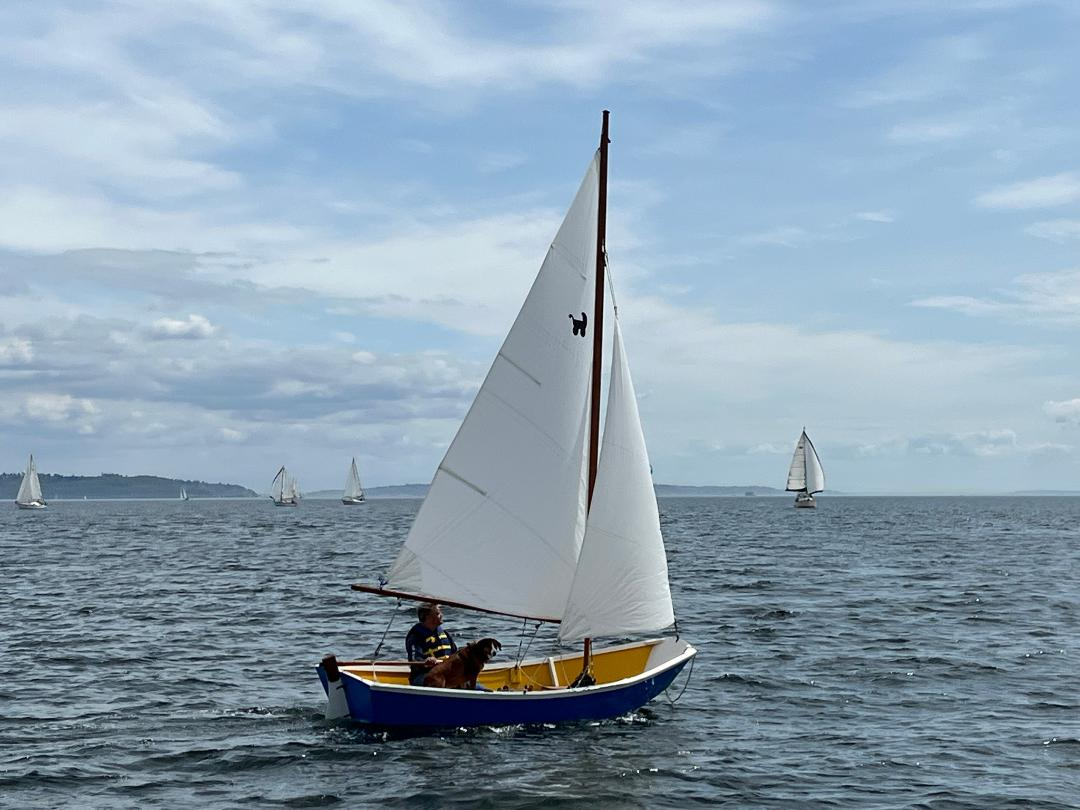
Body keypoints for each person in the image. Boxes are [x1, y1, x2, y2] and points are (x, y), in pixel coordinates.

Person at [405, 602, 457, 686]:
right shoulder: (416, 636)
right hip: (423, 675)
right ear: (427, 617)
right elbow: (414, 661)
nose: (441, 615)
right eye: (437, 613)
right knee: (437, 682)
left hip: (446, 673)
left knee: (472, 685)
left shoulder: (445, 634)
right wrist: (426, 662)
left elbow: (455, 654)